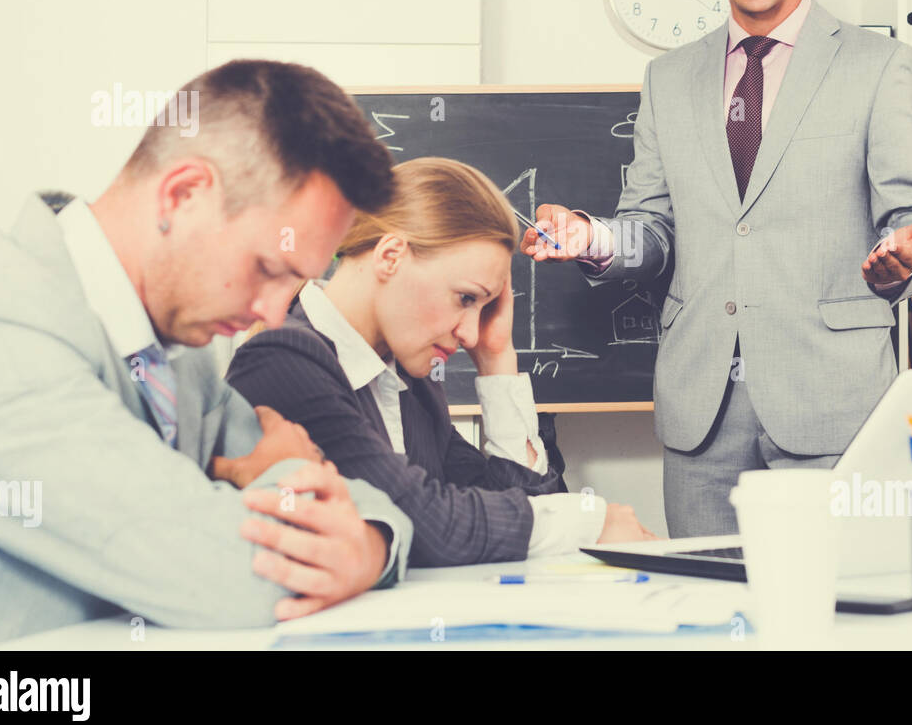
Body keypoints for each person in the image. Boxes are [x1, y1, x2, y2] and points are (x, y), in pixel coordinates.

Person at [519, 0, 912, 536]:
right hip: (703, 416)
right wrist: (594, 238)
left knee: (827, 617)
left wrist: (906, 258)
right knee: (706, 615)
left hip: (832, 401)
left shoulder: (877, 65)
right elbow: (653, 229)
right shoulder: (669, 78)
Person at [0, 59, 414, 649]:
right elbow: (229, 577)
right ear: (184, 193)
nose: (272, 313)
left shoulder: (179, 355)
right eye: (267, 268)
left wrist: (369, 544)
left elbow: (369, 502)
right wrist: (289, 471)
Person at [226, 157, 659, 567]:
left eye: (483, 307)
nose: (470, 333)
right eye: (465, 298)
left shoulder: (410, 382)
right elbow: (424, 522)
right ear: (391, 256)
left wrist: (496, 362)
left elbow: (520, 507)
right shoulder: (283, 360)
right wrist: (591, 521)